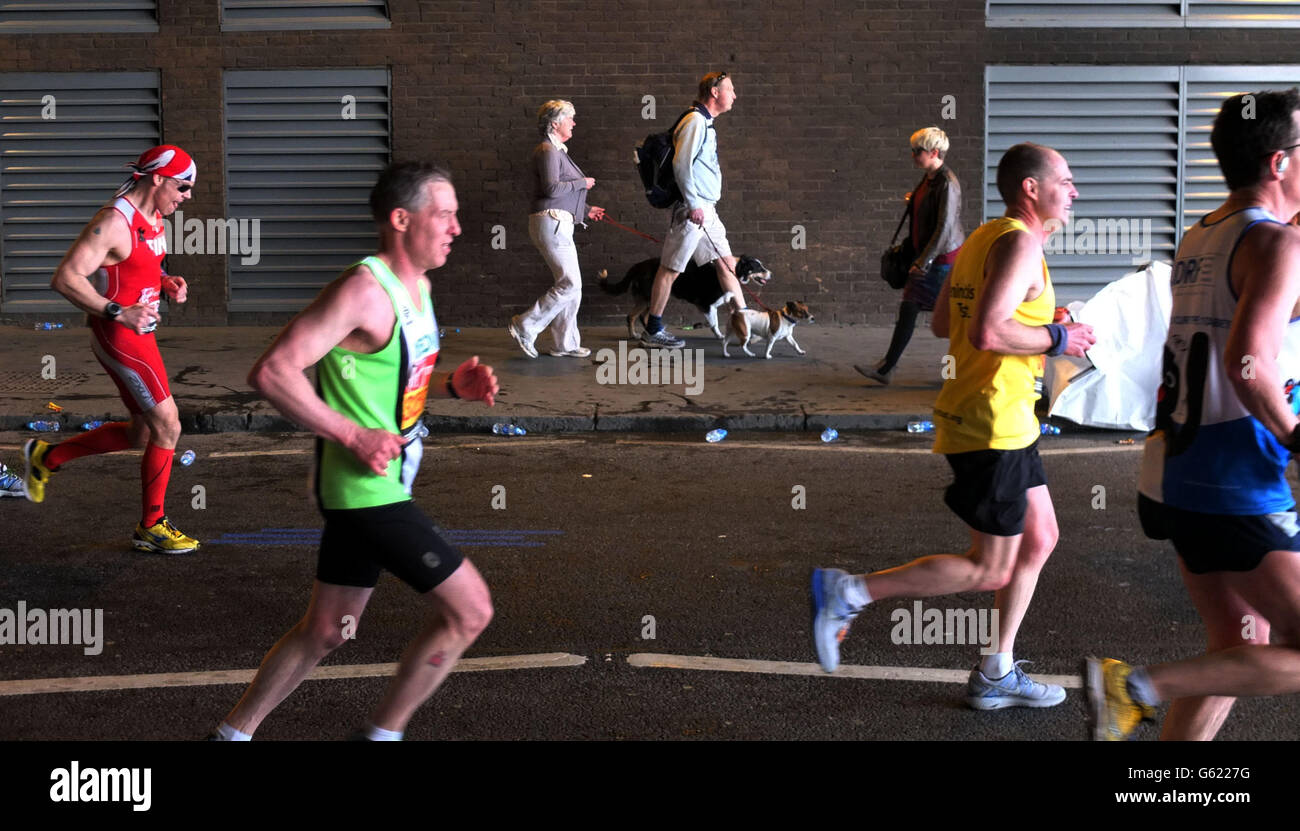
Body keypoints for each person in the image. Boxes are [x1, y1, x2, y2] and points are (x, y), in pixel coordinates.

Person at [210, 161, 498, 741]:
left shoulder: (419, 286)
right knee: (471, 610)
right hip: (367, 492)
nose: (457, 228)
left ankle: (232, 735)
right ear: (400, 219)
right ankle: (382, 737)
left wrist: (447, 389)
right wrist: (352, 435)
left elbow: (385, 386)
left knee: (326, 631)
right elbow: (272, 371)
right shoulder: (364, 290)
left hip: (381, 482)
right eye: (443, 214)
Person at [811, 143, 1096, 710]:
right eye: (1064, 180)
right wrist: (1059, 338)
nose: (1075, 190)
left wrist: (1041, 321)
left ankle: (996, 669)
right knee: (989, 568)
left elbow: (945, 321)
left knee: (1041, 538)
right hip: (994, 425)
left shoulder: (983, 239)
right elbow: (988, 333)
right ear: (1031, 189)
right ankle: (850, 592)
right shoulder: (1019, 243)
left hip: (1001, 417)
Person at [1088, 89, 1300, 741]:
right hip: (1232, 482)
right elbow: (1246, 361)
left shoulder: (1204, 232)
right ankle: (1137, 683)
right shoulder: (1273, 245)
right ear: (1280, 163)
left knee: (1238, 644)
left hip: (1176, 474)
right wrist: (1296, 438)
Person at [23, 145, 199, 553]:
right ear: (158, 179)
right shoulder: (113, 222)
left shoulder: (154, 215)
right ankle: (152, 526)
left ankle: (46, 457)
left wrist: (165, 283)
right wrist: (118, 313)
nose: (187, 196)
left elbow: (141, 266)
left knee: (142, 432)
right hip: (121, 339)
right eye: (183, 186)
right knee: (169, 425)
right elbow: (65, 278)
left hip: (138, 335)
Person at [640, 71, 745, 349]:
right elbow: (681, 165)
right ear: (714, 92)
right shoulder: (694, 121)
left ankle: (745, 323)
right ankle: (653, 330)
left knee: (726, 263)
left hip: (707, 210)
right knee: (671, 269)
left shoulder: (705, 123)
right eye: (730, 90)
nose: (734, 95)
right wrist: (695, 204)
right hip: (692, 211)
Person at [857, 127, 965, 385]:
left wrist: (922, 262)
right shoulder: (930, 178)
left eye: (918, 151)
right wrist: (913, 200)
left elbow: (945, 228)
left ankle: (969, 369)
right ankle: (887, 369)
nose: (913, 155)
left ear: (935, 152)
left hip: (940, 261)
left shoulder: (947, 183)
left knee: (953, 318)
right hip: (930, 257)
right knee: (924, 311)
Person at [508, 100, 606, 359]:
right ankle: (525, 325)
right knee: (570, 283)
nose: (574, 123)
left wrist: (586, 210)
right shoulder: (547, 151)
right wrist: (581, 183)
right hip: (550, 222)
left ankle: (565, 343)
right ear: (555, 123)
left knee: (573, 285)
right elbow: (551, 189)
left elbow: (558, 192)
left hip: (558, 221)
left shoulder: (557, 151)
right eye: (569, 118)